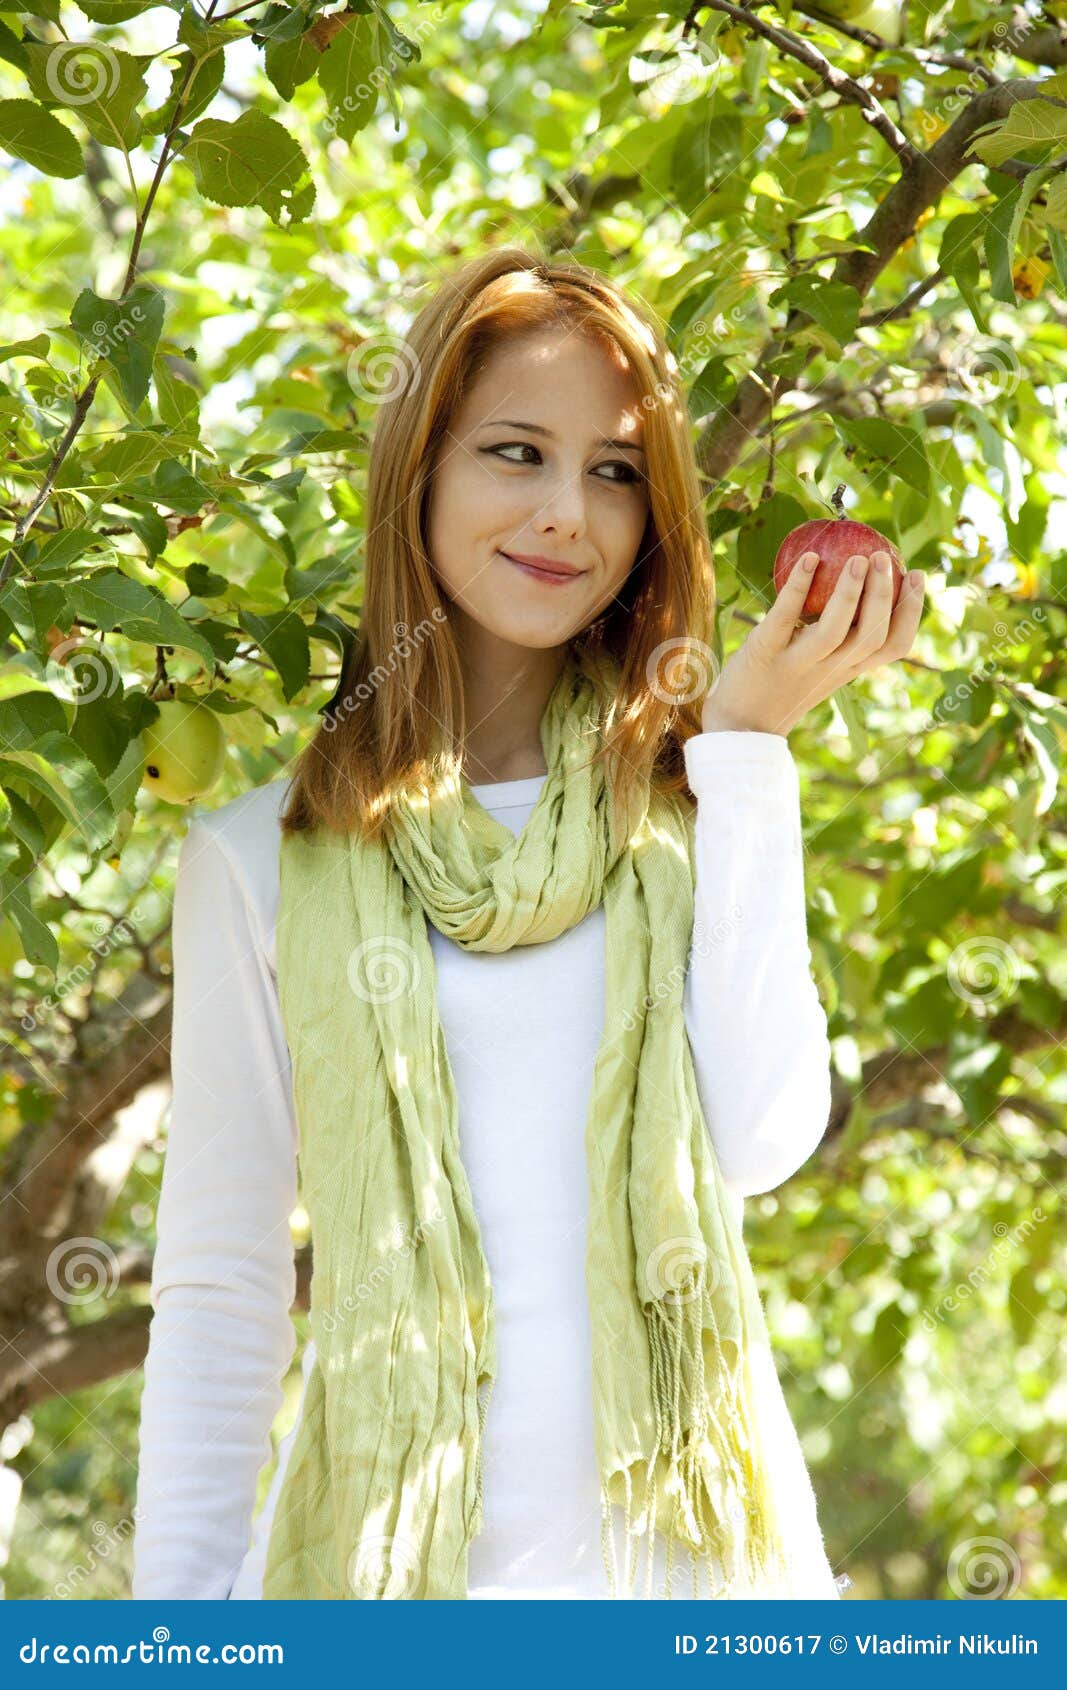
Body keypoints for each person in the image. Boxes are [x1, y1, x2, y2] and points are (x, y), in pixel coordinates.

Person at [131, 246, 925, 1602]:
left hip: (686, 1591)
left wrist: (746, 746)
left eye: (615, 470)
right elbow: (221, 1282)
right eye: (517, 452)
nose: (569, 512)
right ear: (419, 472)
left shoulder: (692, 800)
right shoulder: (259, 856)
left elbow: (766, 1139)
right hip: (386, 1601)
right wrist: (181, 1625)